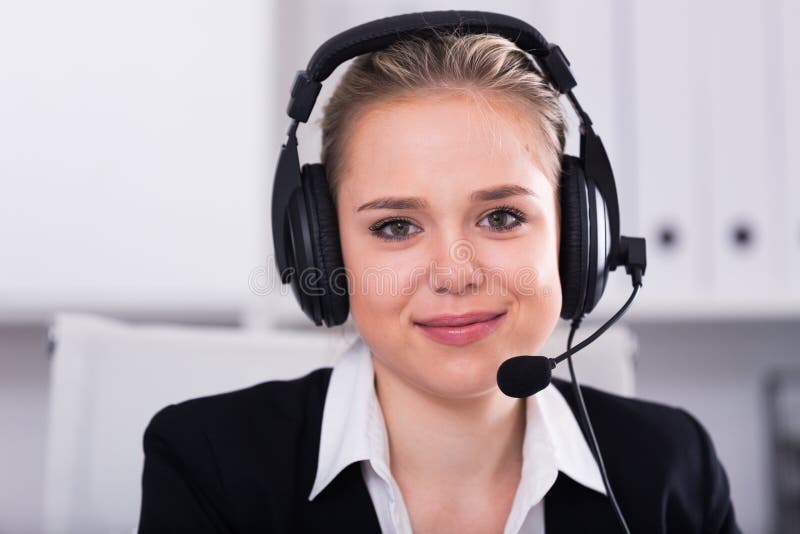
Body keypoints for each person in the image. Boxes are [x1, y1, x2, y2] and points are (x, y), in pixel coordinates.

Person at [137, 27, 741, 533]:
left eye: (502, 217)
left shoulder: (675, 469)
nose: (454, 273)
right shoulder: (206, 464)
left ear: (579, 236)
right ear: (321, 249)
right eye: (396, 226)